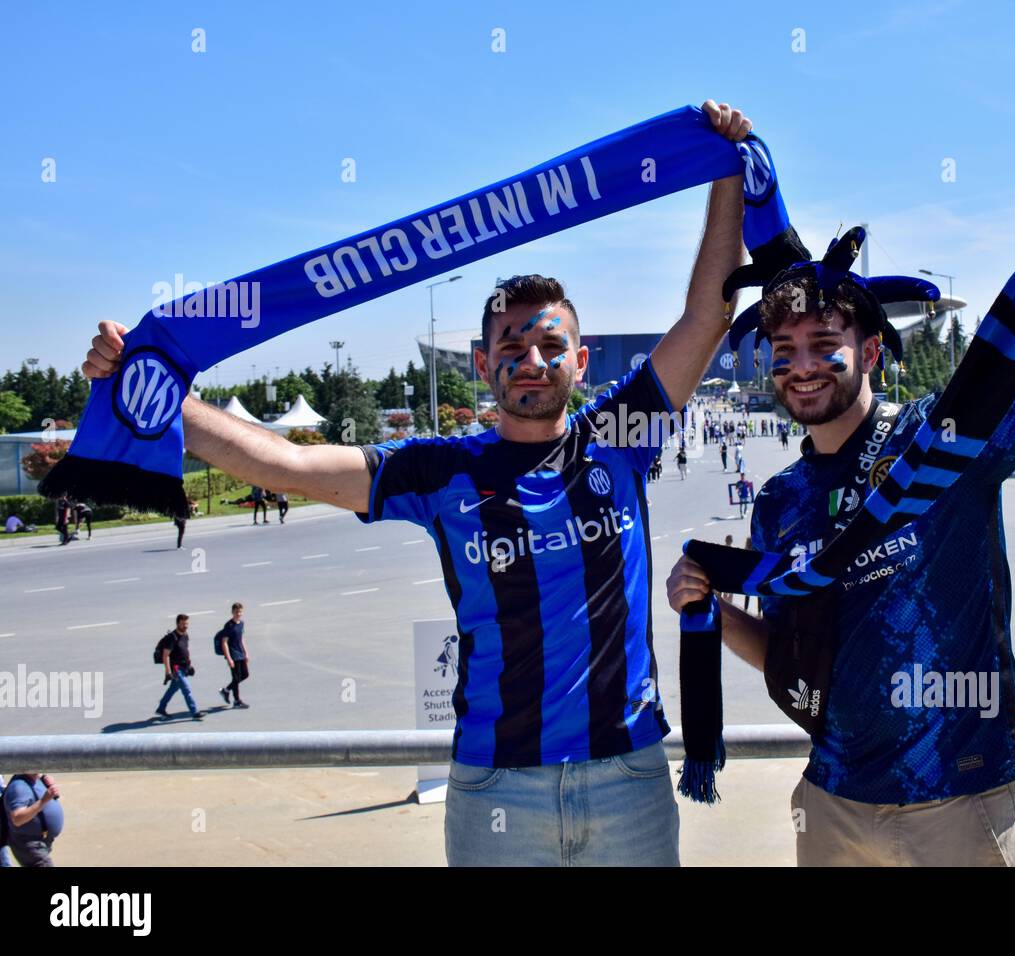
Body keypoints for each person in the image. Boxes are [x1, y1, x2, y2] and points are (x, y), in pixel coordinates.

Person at [83, 97, 753, 867]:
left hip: (629, 779)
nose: (529, 360)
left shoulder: (620, 437)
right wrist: (156, 388)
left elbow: (707, 314)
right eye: (510, 343)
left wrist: (724, 170)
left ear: (581, 356)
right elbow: (289, 465)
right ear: (479, 362)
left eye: (548, 344)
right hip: (497, 790)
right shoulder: (441, 470)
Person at [668, 227, 1015, 866]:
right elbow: (791, 652)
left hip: (960, 801)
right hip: (833, 805)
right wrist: (713, 610)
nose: (801, 366)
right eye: (784, 348)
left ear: (873, 350)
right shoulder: (780, 501)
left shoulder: (946, 438)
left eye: (825, 344)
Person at [3, 772, 63, 867]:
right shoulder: (19, 786)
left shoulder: (38, 779)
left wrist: (49, 784)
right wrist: (44, 800)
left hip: (41, 841)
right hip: (28, 842)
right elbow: (17, 818)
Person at [156, 613, 203, 721]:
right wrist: (168, 672)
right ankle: (194, 712)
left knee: (173, 689)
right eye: (183, 624)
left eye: (187, 623)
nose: (185, 625)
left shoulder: (185, 635)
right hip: (176, 668)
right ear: (177, 624)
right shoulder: (172, 637)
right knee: (187, 689)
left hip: (183, 667)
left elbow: (185, 651)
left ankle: (161, 708)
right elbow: (166, 655)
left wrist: (189, 665)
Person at [218, 602, 250, 708]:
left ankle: (226, 690)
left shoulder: (241, 623)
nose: (238, 614)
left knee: (245, 675)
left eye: (240, 612)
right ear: (232, 612)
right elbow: (224, 642)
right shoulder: (229, 625)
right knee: (236, 678)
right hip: (233, 654)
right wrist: (229, 658)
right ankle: (237, 701)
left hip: (240, 653)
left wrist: (246, 653)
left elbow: (241, 639)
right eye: (236, 612)